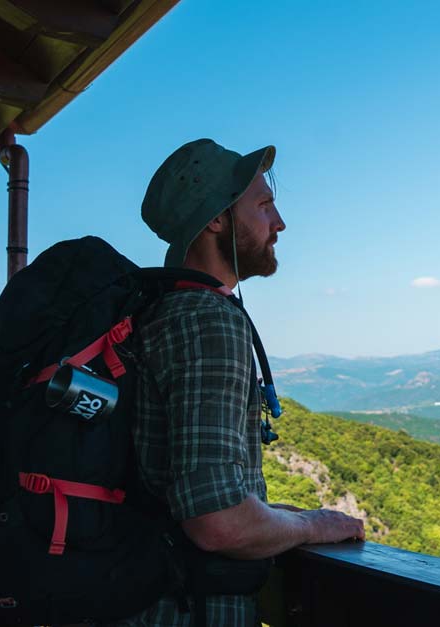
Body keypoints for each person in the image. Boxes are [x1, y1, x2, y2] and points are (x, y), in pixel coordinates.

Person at [124, 139, 365, 625]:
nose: (279, 223)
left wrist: (283, 518)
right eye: (264, 205)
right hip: (187, 610)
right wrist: (315, 525)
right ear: (217, 219)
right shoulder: (207, 322)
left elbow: (179, 485)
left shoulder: (155, 312)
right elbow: (218, 523)